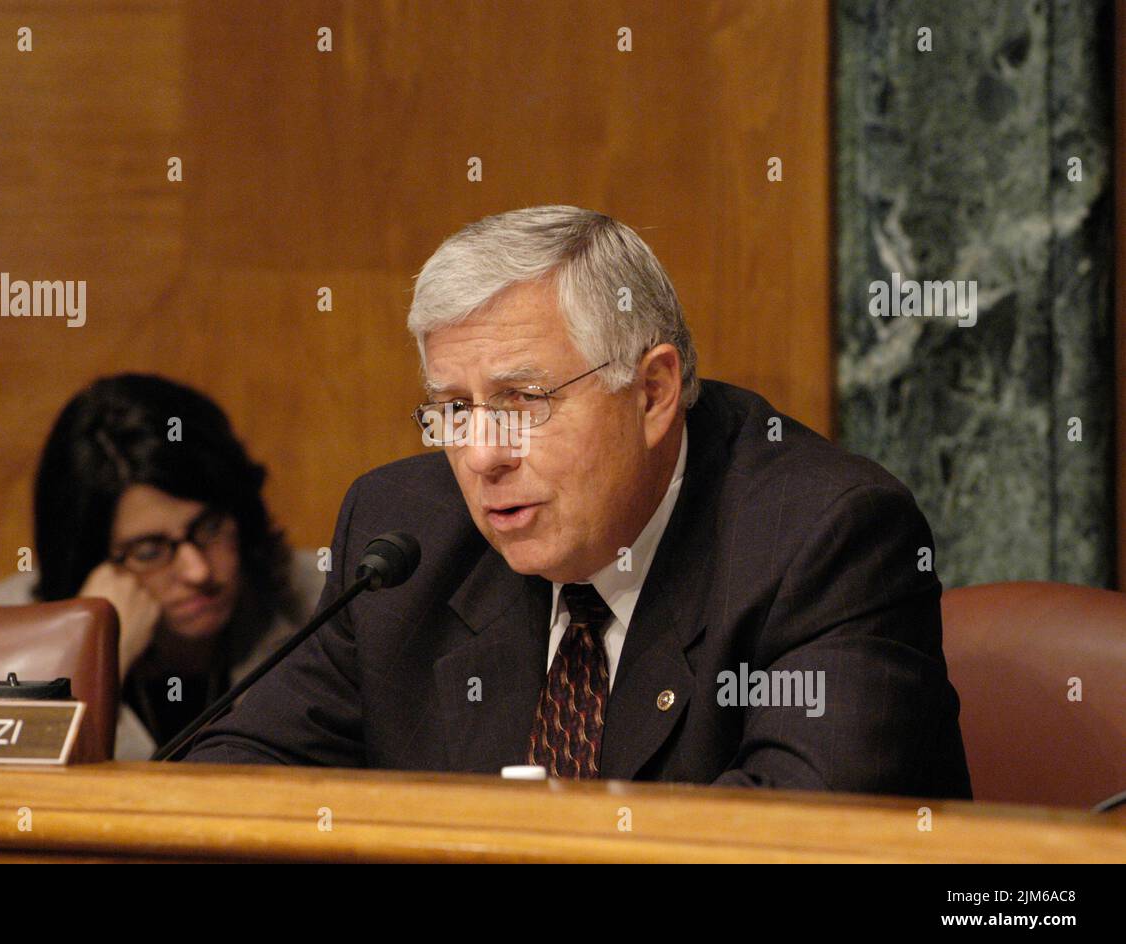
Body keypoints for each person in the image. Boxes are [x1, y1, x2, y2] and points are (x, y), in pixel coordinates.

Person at [185, 206, 972, 798]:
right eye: (453, 409)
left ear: (653, 392)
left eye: (523, 401)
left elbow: (792, 837)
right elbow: (234, 777)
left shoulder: (824, 539)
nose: (483, 456)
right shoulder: (404, 535)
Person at [0, 374, 323, 759]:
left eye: (209, 527)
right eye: (150, 551)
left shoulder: (329, 602)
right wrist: (97, 660)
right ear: (90, 564)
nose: (198, 571)